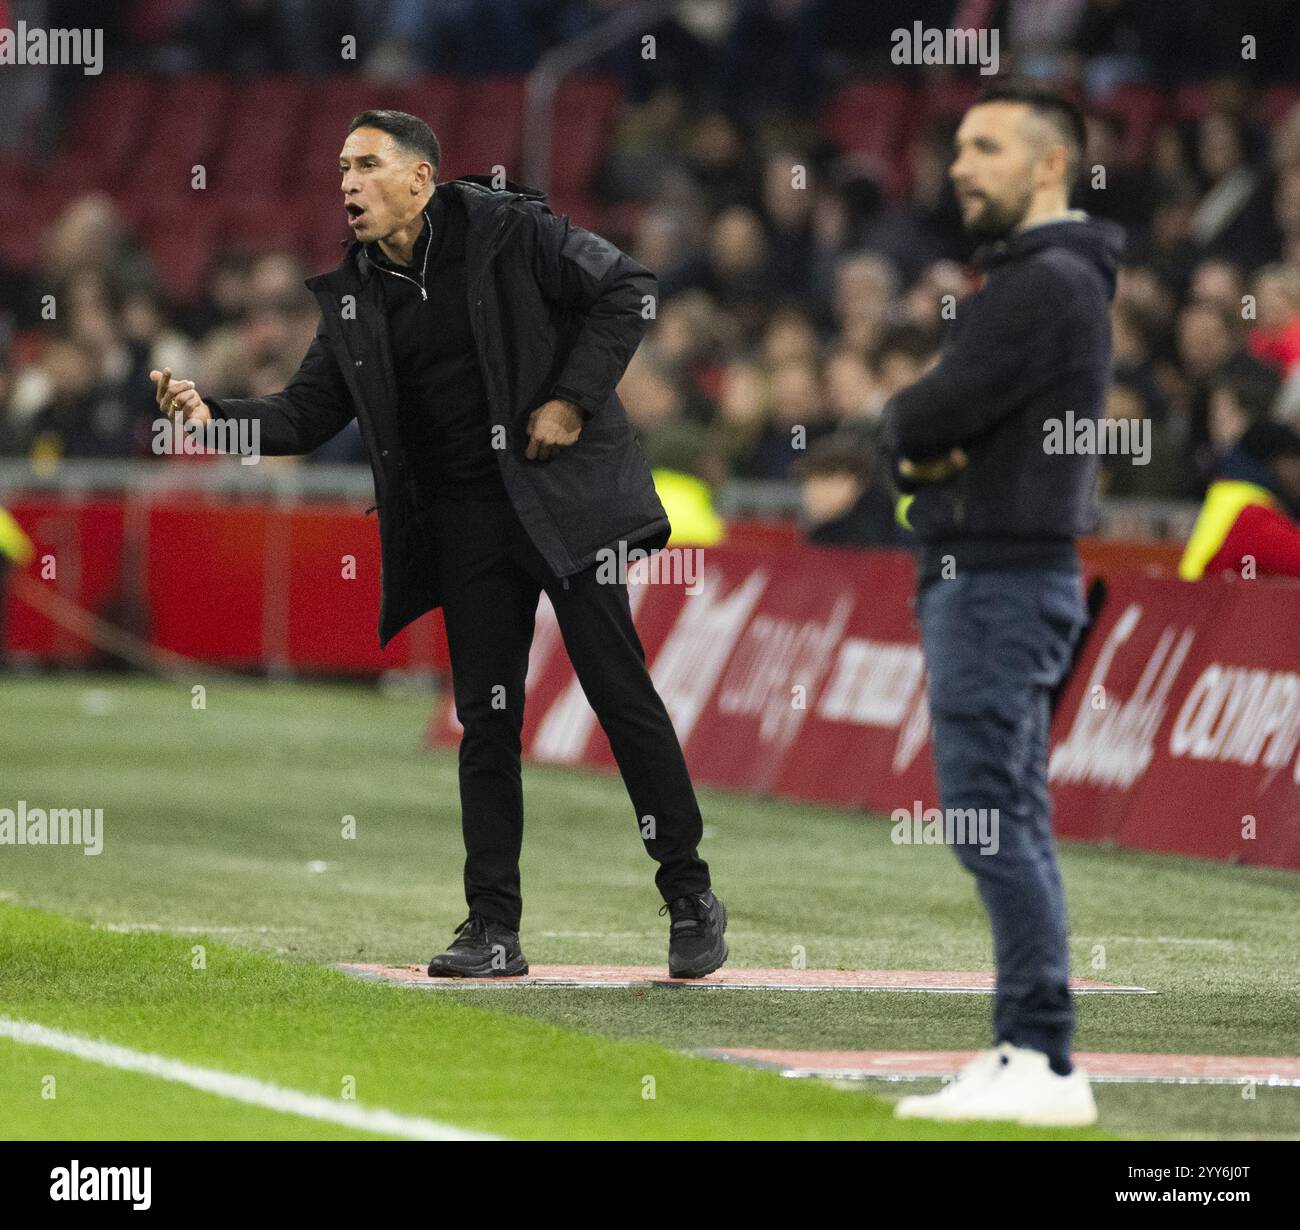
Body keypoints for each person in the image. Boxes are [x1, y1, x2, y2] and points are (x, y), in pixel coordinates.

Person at [150, 110, 727, 981]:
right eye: (341, 166)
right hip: (466, 523)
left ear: (420, 179)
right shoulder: (351, 296)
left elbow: (628, 289)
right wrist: (214, 417)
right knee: (486, 722)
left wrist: (569, 399)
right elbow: (306, 415)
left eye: (368, 165)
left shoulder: (508, 227)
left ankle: (688, 893)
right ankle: (492, 928)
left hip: (559, 502)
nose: (347, 181)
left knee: (619, 693)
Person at [882, 83, 1123, 1127]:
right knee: (1007, 818)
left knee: (993, 823)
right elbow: (934, 423)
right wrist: (930, 436)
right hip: (1001, 572)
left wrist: (922, 436)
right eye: (959, 147)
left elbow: (920, 413)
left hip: (999, 577)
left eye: (985, 147)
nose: (959, 166)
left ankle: (1041, 1057)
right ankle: (1028, 1044)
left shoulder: (1044, 283)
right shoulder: (1045, 278)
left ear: (1048, 165)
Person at [1179, 419, 1300, 581]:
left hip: (1201, 598)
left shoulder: (1229, 494)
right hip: (1213, 600)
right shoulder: (1254, 515)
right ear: (1280, 461)